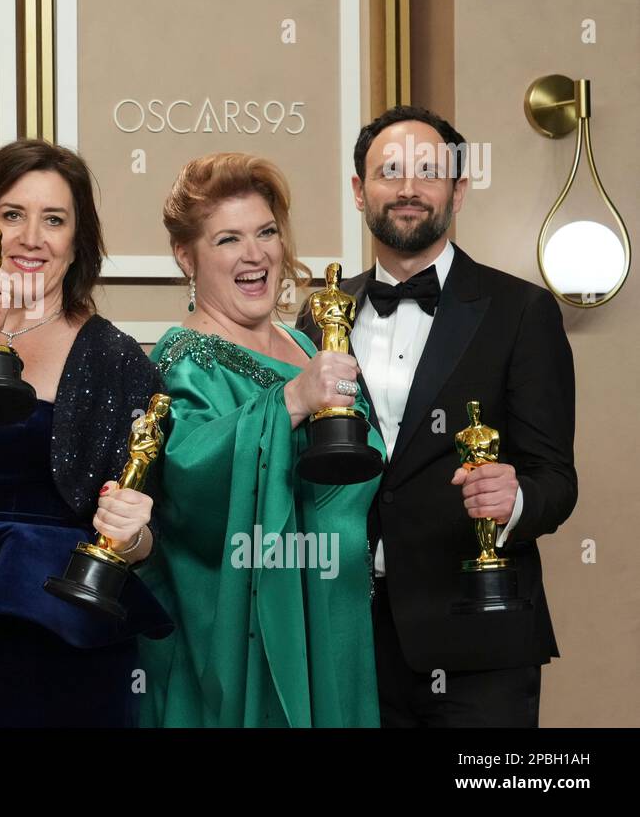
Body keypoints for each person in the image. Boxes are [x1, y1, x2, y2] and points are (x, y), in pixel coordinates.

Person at [296, 105, 577, 727]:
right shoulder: (320, 317)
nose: (407, 188)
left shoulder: (522, 312)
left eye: (428, 171)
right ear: (357, 190)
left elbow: (557, 480)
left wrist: (516, 497)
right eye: (388, 171)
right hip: (350, 632)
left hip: (479, 633)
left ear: (459, 189)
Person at [0, 139, 172, 728]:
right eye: (13, 215)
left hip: (71, 629)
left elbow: (146, 539)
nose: (32, 237)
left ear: (78, 240)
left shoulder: (116, 358)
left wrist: (134, 534)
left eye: (54, 220)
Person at [140, 153, 383, 728]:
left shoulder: (307, 343)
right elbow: (188, 485)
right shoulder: (183, 358)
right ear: (186, 256)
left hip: (334, 615)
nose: (255, 254)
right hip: (246, 633)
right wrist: (293, 401)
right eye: (228, 239)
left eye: (267, 232)